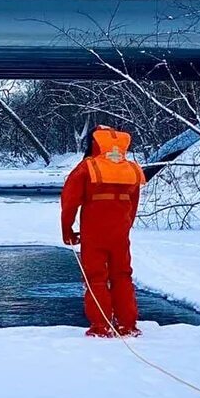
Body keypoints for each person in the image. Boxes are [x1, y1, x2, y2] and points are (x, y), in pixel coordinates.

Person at [60, 125, 146, 338]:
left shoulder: (86, 168)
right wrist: (125, 227)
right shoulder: (131, 169)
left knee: (96, 278)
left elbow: (69, 203)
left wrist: (67, 229)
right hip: (120, 234)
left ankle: (102, 326)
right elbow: (133, 206)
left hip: (94, 234)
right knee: (122, 276)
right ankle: (128, 324)